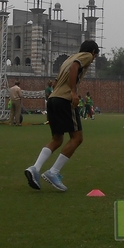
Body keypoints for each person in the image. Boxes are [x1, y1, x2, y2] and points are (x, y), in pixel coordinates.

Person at [24, 40, 100, 192]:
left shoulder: (68, 58)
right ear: (93, 52)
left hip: (52, 100)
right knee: (77, 138)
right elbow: (75, 67)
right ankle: (53, 172)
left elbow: (57, 80)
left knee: (57, 139)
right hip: (64, 100)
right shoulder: (85, 56)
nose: (94, 59)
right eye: (95, 56)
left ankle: (35, 168)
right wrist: (73, 92)